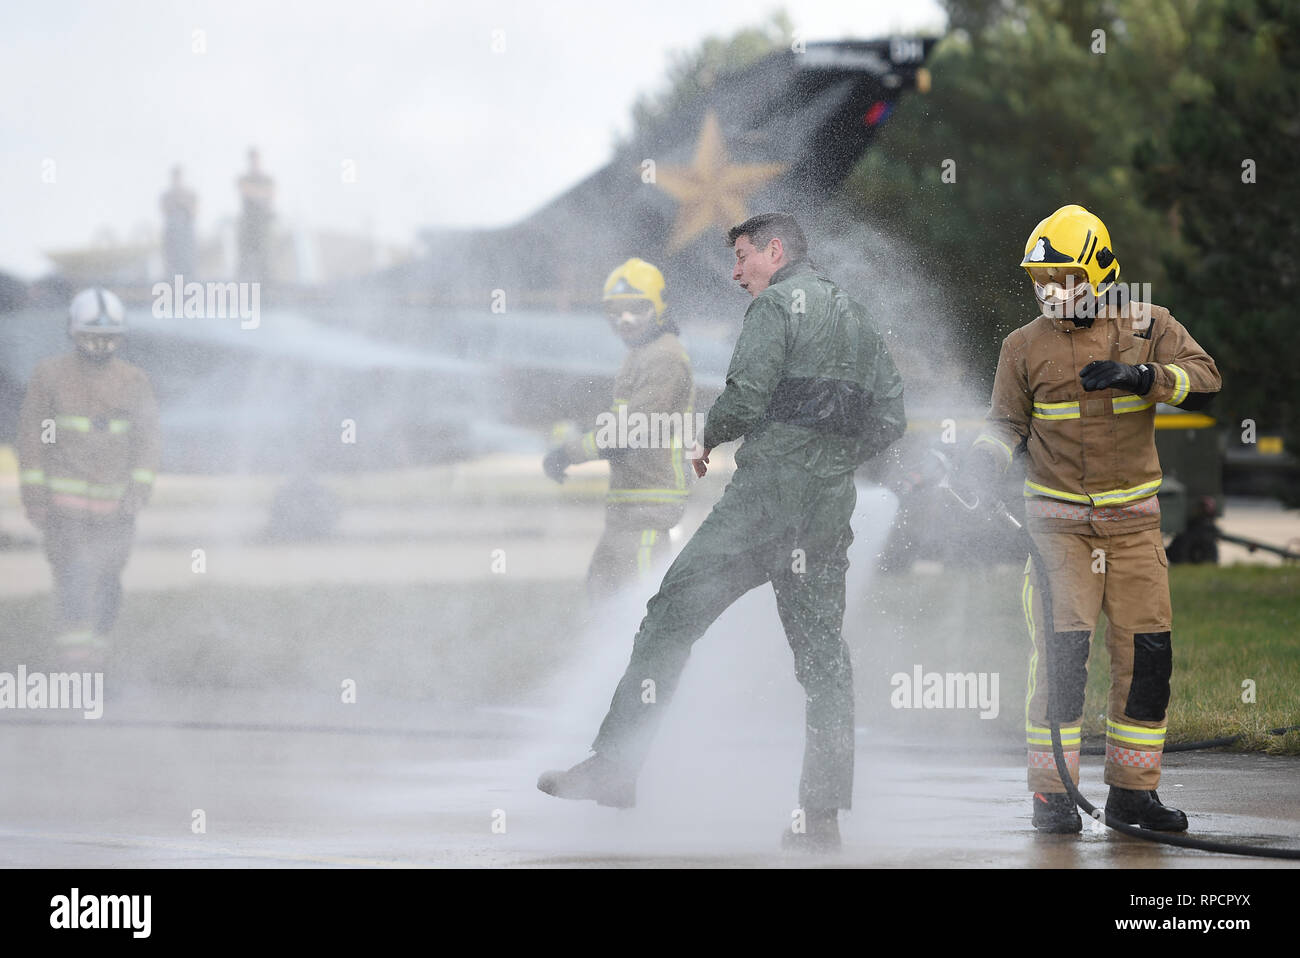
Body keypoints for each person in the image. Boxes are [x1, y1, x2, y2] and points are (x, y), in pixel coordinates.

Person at [537, 212, 907, 851]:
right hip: (824, 511)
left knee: (672, 613)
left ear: (776, 250)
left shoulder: (774, 309)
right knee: (824, 667)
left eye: (742, 258)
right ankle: (820, 818)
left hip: (761, 505)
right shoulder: (859, 319)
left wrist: (708, 438)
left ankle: (616, 766)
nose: (736, 274)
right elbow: (892, 418)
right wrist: (831, 459)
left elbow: (743, 397)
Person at [962, 204, 1221, 834]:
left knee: (1146, 655)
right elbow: (1004, 425)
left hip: (1133, 529)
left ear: (1101, 273)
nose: (1052, 291)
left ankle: (1133, 795)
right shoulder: (1022, 346)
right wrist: (978, 462)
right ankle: (1052, 795)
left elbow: (1206, 377)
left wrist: (1143, 376)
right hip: (1058, 531)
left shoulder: (1146, 322)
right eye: (1041, 281)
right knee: (1062, 656)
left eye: (1066, 278)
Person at [17, 288, 160, 666]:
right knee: (75, 579)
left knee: (109, 584)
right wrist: (35, 494)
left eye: (108, 336)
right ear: (72, 333)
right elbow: (36, 436)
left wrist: (139, 489)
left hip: (116, 510)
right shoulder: (50, 377)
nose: (99, 344)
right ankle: (79, 667)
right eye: (91, 336)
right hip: (66, 511)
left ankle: (95, 658)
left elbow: (147, 440)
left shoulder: (134, 382)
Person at [542, 258, 695, 602]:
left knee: (640, 608)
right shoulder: (640, 354)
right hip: (628, 506)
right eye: (615, 311)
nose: (624, 320)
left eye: (637, 308)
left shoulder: (663, 358)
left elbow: (628, 432)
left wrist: (568, 453)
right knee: (602, 596)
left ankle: (656, 658)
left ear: (659, 305)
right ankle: (609, 658)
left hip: (649, 504)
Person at [237, 148, 275, 282]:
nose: (254, 162)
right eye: (252, 159)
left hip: (263, 224)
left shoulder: (267, 179)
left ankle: (266, 285)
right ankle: (244, 285)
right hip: (248, 224)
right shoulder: (244, 178)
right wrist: (260, 194)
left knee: (264, 256)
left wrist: (255, 193)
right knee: (246, 256)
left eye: (256, 159)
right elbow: (246, 191)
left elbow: (270, 194)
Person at [160, 165, 197, 279]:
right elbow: (164, 210)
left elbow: (195, 212)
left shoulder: (190, 194)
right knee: (172, 265)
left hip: (186, 238)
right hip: (172, 237)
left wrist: (183, 203)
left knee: (187, 263)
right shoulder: (167, 195)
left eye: (178, 177)